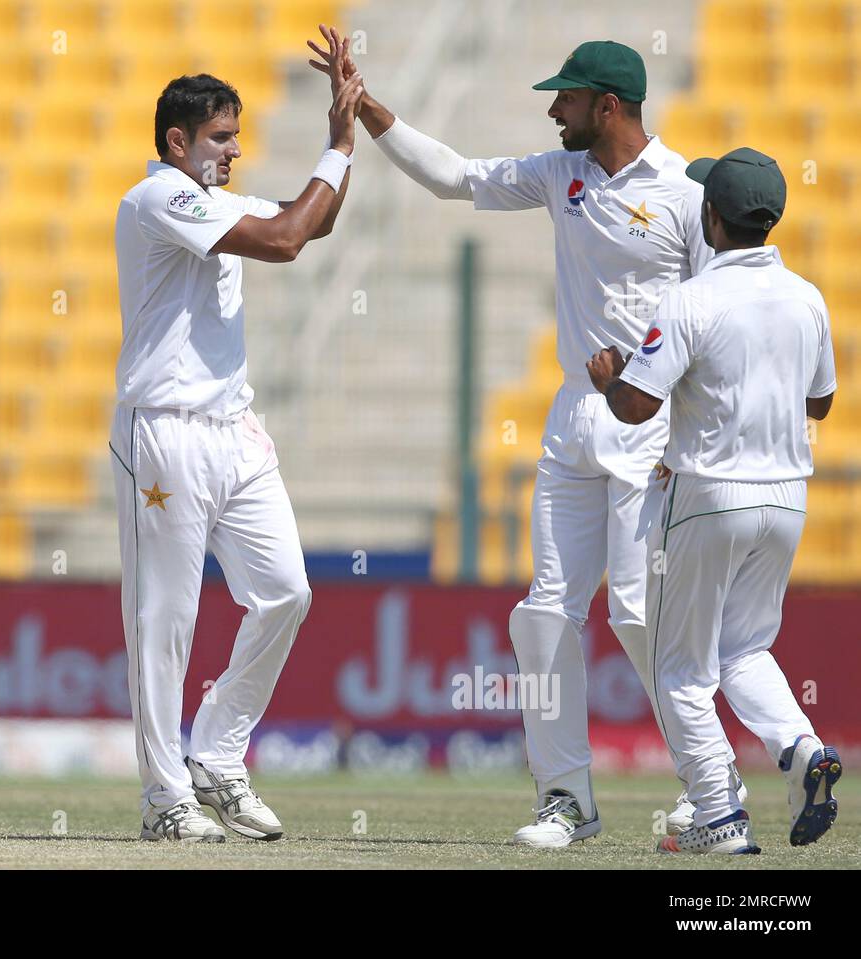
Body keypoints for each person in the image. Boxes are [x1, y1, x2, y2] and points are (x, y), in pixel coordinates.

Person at [309, 29, 741, 846]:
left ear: (607, 106)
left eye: (567, 99)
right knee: (544, 615)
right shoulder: (560, 174)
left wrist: (666, 399)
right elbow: (453, 176)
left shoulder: (687, 192)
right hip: (574, 417)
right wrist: (363, 106)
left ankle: (705, 785)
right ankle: (566, 800)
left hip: (649, 427)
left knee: (644, 617)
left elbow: (711, 316)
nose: (553, 111)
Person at [111, 53, 361, 841]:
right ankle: (163, 796)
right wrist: (339, 153)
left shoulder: (209, 197)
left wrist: (342, 137)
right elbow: (287, 239)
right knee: (166, 618)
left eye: (237, 136)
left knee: (287, 590)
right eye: (220, 137)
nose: (233, 150)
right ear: (177, 139)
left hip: (235, 430)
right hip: (165, 431)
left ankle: (216, 754)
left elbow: (311, 220)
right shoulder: (159, 196)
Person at [587, 147, 842, 854]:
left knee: (679, 671)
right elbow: (819, 400)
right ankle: (801, 747)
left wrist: (610, 376)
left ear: (708, 215)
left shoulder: (691, 298)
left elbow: (637, 404)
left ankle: (719, 815)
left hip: (707, 494)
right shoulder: (807, 296)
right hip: (786, 499)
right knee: (745, 648)